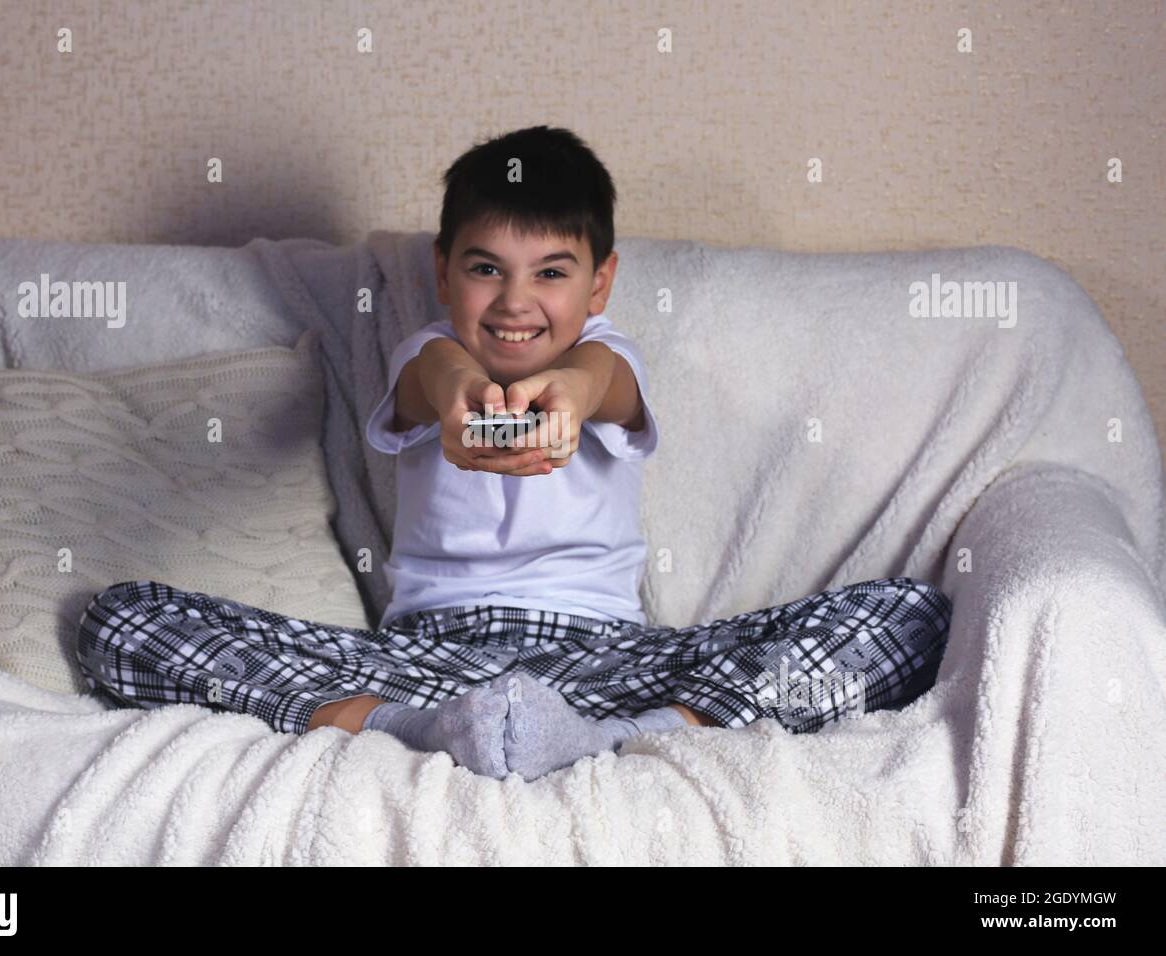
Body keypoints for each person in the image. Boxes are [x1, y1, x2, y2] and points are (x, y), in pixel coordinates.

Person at [77, 125, 952, 782]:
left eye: (552, 272)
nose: (515, 302)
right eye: (486, 268)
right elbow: (438, 373)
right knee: (117, 621)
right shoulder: (424, 355)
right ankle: (406, 732)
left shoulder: (609, 359)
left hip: (608, 660)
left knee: (910, 617)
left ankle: (624, 741)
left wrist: (568, 399)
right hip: (424, 661)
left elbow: (601, 380)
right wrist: (461, 406)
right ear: (444, 270)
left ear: (600, 282)